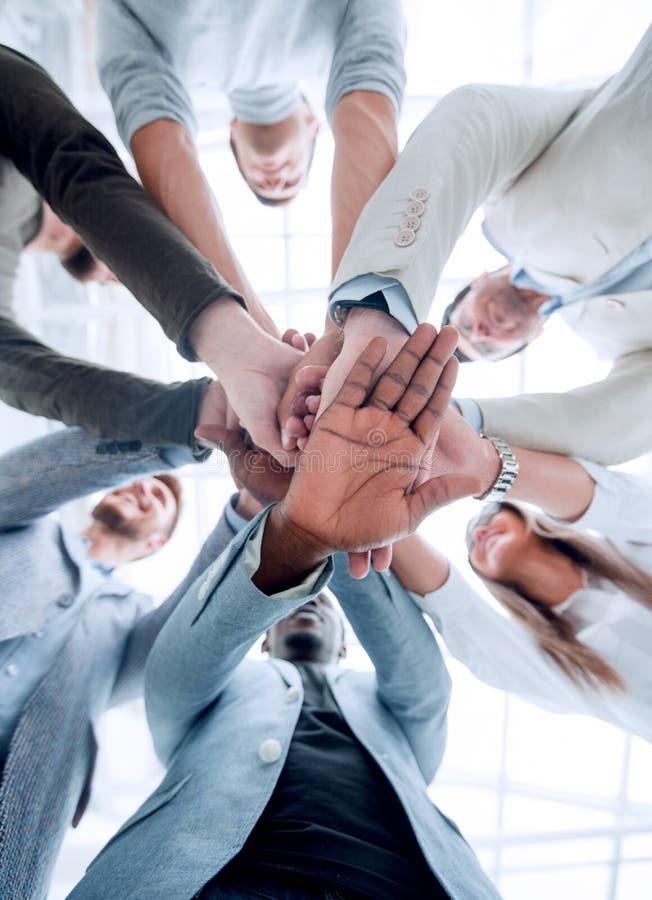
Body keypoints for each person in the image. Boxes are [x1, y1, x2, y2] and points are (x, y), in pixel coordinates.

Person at [68, 325, 501, 900]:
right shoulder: (231, 685)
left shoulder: (387, 707)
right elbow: (175, 675)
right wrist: (299, 533)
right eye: (303, 598)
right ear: (264, 640)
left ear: (346, 646)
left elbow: (423, 681)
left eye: (323, 603)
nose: (312, 606)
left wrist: (322, 522)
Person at [284, 24, 652, 465]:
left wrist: (377, 323)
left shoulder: (508, 208)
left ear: (478, 282)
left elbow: (475, 119)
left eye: (466, 324)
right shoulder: (622, 343)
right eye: (489, 347)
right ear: (529, 341)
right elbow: (612, 423)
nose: (483, 332)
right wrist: (442, 420)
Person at [0, 333, 259, 897]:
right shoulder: (23, 526)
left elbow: (191, 617)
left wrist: (250, 507)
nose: (144, 490)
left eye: (160, 500)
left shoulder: (128, 629)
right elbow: (33, 476)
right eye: (138, 483)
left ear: (156, 544)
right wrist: (176, 437)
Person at [0, 44, 306, 462]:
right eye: (159, 244)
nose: (132, 274)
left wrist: (201, 408)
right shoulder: (50, 162)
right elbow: (75, 166)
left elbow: (20, 375)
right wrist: (232, 340)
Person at [96, 0, 405, 296]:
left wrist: (238, 312)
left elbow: (155, 133)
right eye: (291, 180)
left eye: (260, 183)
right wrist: (351, 303)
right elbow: (370, 93)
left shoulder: (172, 70)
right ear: (314, 124)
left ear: (233, 136)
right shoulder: (337, 49)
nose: (274, 180)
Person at [388, 406, 652, 743]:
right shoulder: (566, 666)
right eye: (471, 544)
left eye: (485, 519)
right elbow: (461, 613)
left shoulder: (635, 552)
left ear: (527, 518)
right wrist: (388, 514)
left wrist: (484, 466)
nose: (479, 534)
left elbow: (617, 502)